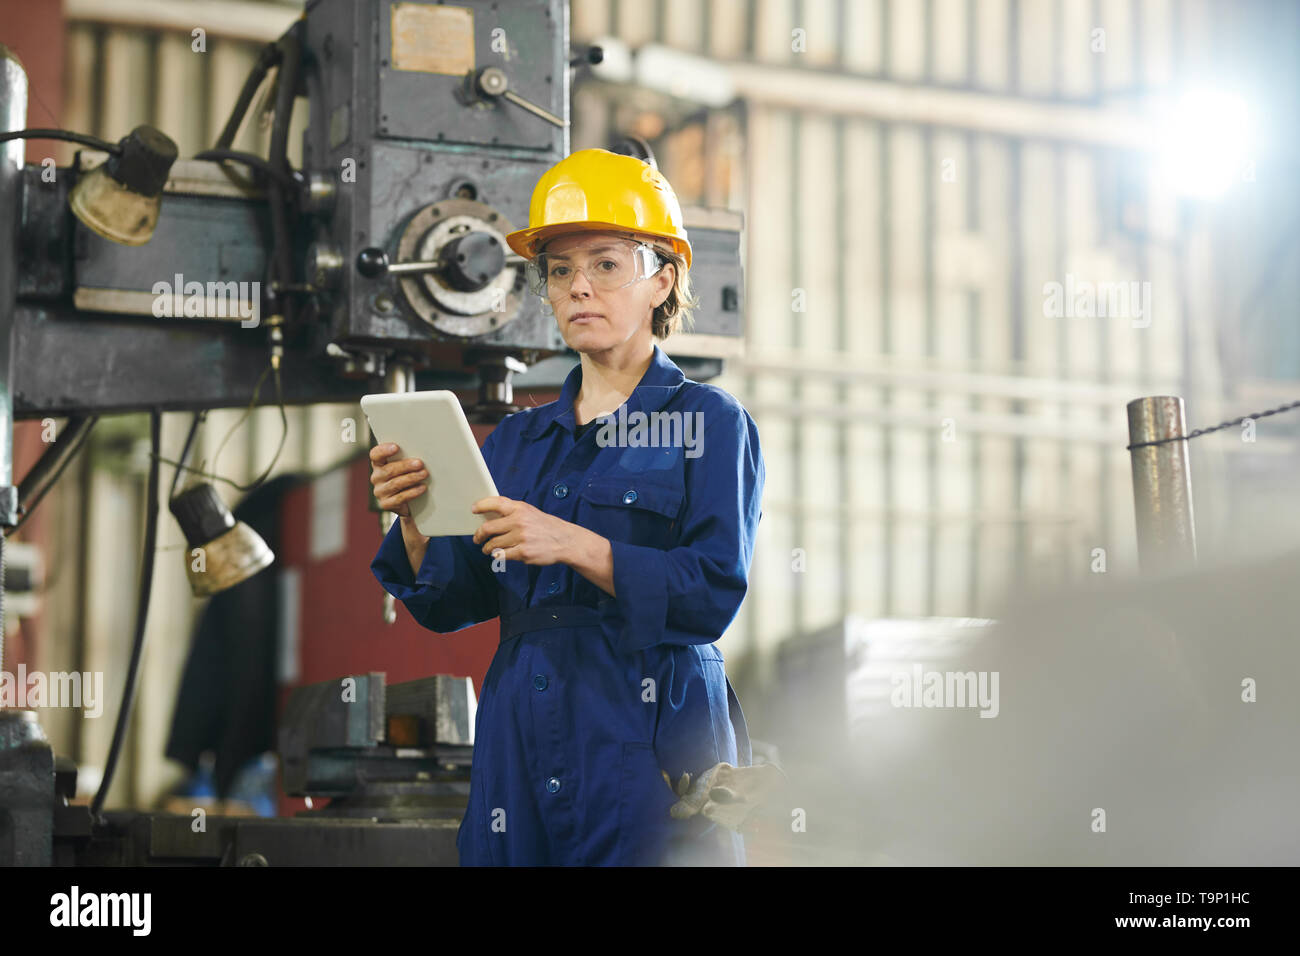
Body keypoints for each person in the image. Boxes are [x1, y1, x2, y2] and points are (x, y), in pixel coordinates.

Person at [369, 148, 765, 865]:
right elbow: (452, 598)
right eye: (559, 270)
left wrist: (574, 543)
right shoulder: (519, 440)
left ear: (662, 281)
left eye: (607, 265)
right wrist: (415, 517)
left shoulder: (711, 423)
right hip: (522, 731)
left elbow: (710, 593)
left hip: (650, 733)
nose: (579, 286)